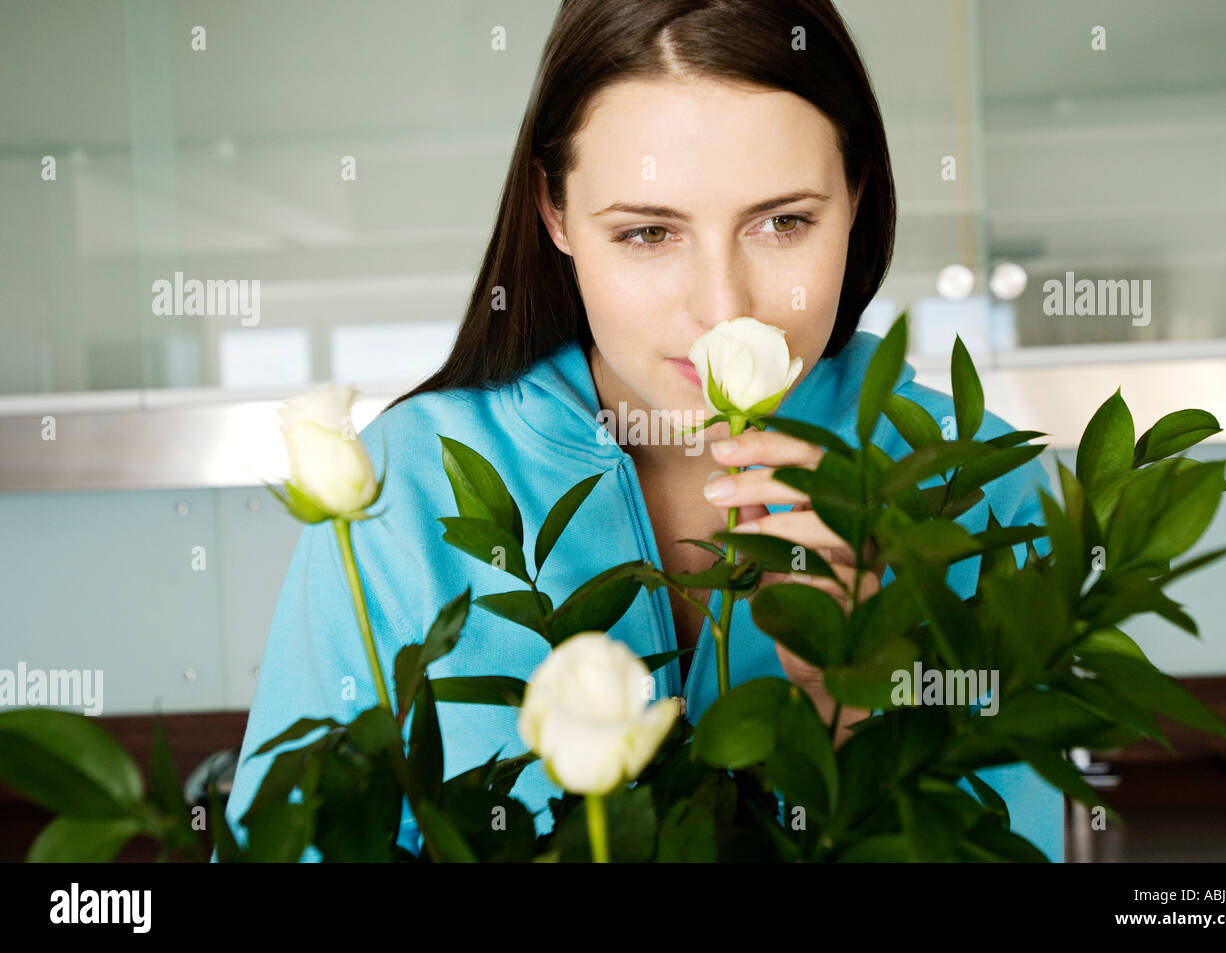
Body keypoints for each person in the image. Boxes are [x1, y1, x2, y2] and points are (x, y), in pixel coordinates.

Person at [221, 0, 1065, 862]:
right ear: (553, 211)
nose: (723, 309)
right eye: (649, 232)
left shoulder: (983, 493)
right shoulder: (406, 490)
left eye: (783, 222)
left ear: (856, 194)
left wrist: (848, 714)